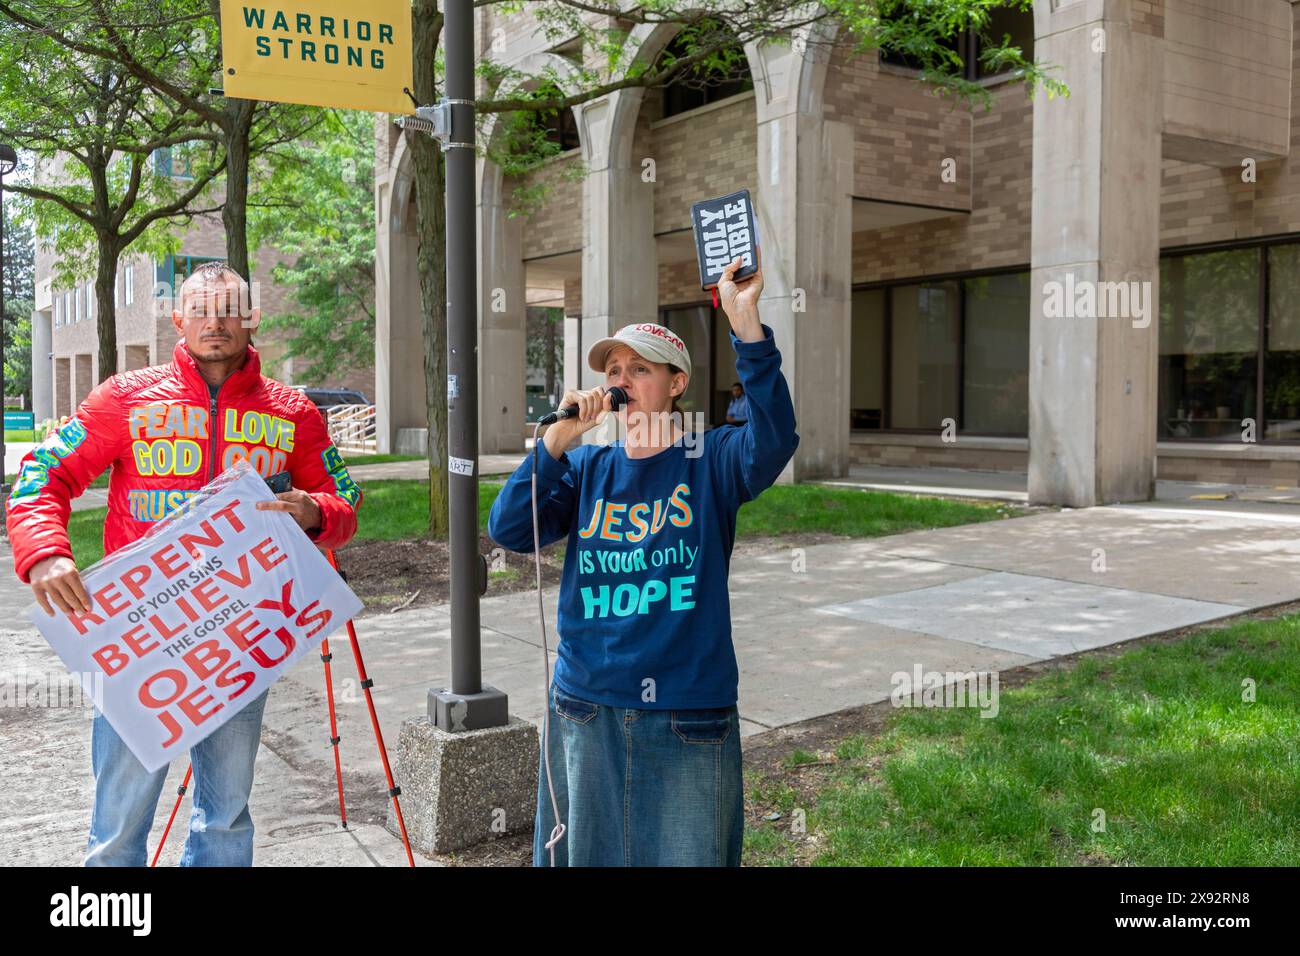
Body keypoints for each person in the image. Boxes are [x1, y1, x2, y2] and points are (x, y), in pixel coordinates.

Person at [5, 260, 363, 866]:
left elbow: (347, 502)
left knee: (223, 817)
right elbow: (44, 473)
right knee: (118, 823)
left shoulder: (294, 412)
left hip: (244, 636)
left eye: (228, 310)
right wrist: (44, 553)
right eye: (199, 309)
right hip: (140, 637)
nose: (214, 322)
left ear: (252, 318)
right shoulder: (125, 397)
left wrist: (315, 512)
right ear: (178, 319)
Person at [488, 255, 799, 866]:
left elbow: (776, 437)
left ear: (676, 383)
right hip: (587, 706)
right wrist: (554, 442)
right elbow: (509, 529)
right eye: (613, 369)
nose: (621, 380)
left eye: (639, 369)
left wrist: (746, 328)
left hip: (687, 709)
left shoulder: (711, 459)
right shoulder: (584, 469)